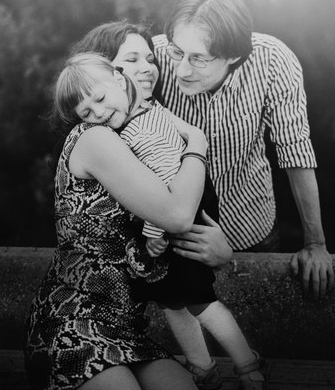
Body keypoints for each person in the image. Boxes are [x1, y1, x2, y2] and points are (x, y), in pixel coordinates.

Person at [72, 22, 267, 389]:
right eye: (132, 60)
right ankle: (204, 366)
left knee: (197, 301)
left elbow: (168, 188)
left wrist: (155, 231)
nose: (148, 68)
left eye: (150, 59)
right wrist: (196, 139)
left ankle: (245, 365)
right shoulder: (117, 125)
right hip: (147, 250)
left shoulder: (144, 122)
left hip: (171, 227)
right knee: (174, 302)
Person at [24, 52, 208, 389]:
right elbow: (179, 215)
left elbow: (181, 217)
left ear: (119, 80)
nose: (97, 113)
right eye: (86, 111)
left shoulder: (139, 136)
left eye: (99, 99)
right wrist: (197, 142)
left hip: (127, 328)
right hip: (72, 322)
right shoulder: (94, 137)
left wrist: (219, 246)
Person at [152, 0, 334, 299]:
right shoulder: (150, 59)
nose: (180, 70)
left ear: (233, 55)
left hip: (250, 226)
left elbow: (295, 151)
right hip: (170, 236)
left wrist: (315, 243)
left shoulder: (273, 60)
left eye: (199, 58)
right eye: (177, 51)